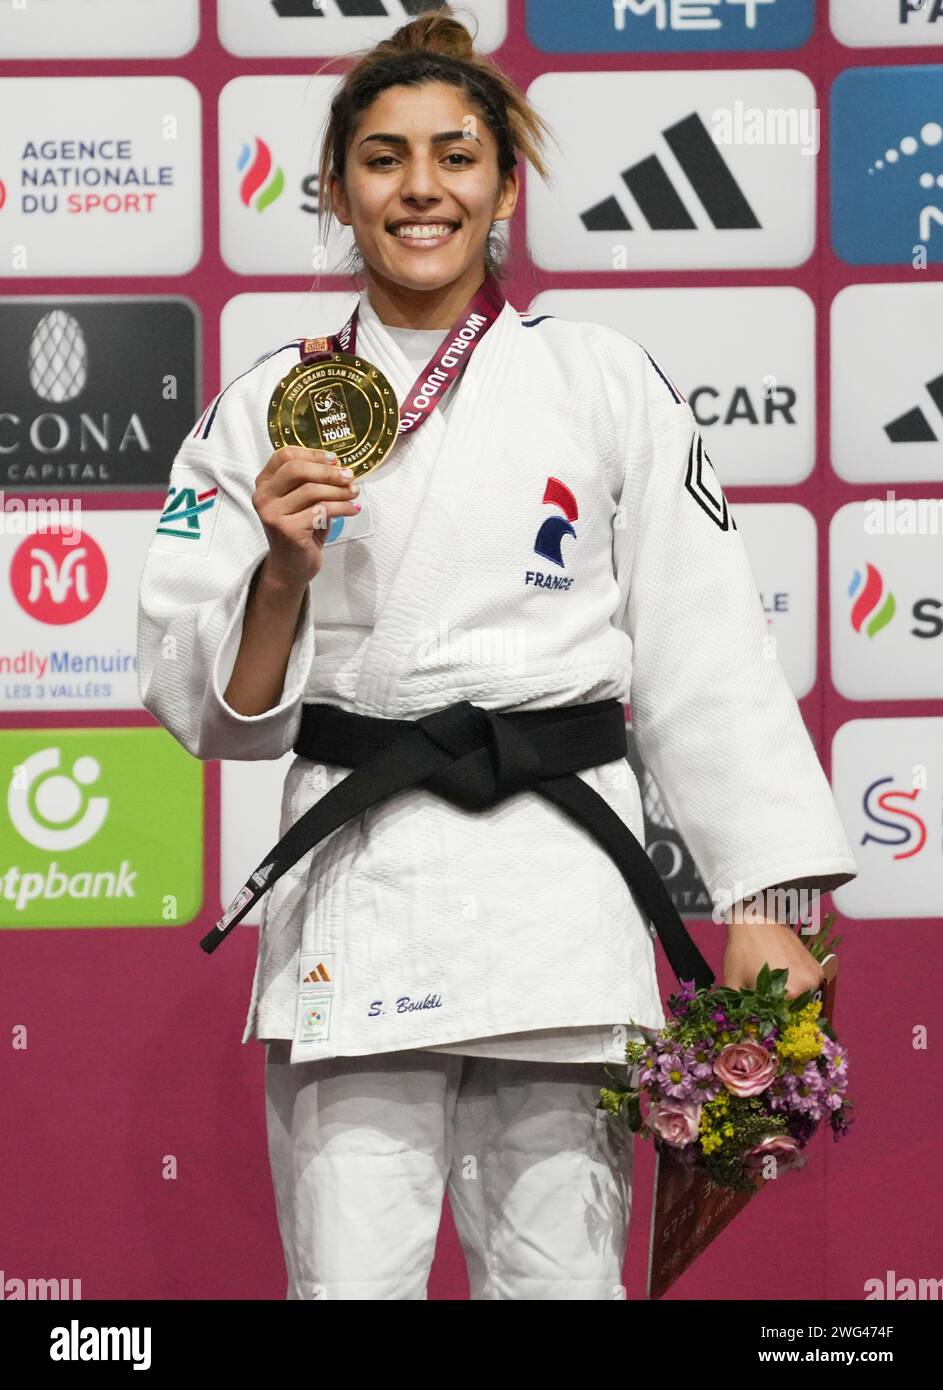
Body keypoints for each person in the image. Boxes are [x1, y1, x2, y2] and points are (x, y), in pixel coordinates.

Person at [136, 8, 858, 1300]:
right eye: (384, 158)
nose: (423, 189)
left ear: (507, 186)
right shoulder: (267, 406)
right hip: (361, 892)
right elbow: (209, 706)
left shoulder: (601, 382)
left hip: (556, 891)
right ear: (336, 192)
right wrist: (280, 577)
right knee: (347, 1286)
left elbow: (705, 647)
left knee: (565, 1286)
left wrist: (769, 902)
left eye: (457, 156)